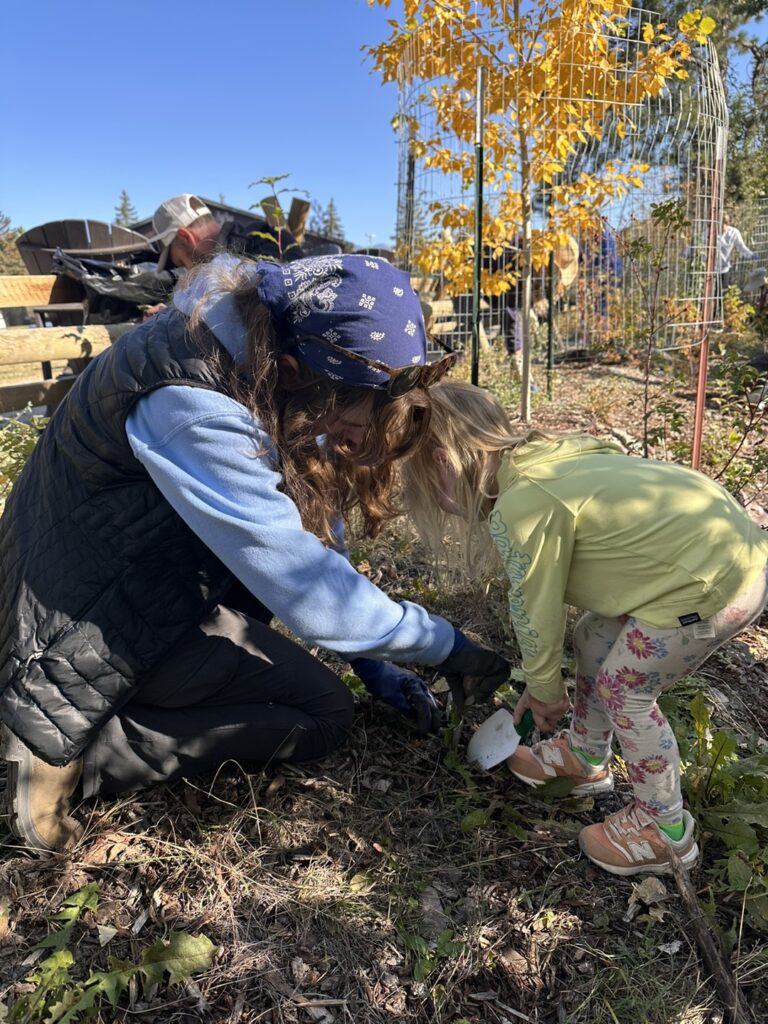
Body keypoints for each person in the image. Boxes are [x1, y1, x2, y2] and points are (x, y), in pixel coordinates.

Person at [0, 254, 511, 853]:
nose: (351, 441)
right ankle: (73, 751)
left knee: (295, 682)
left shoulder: (264, 349)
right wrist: (446, 646)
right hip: (73, 622)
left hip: (130, 578)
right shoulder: (195, 405)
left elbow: (308, 534)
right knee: (322, 714)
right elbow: (310, 591)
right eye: (355, 417)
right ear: (299, 372)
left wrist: (374, 663)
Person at [401, 380, 768, 876]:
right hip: (723, 557)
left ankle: (666, 830)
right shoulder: (546, 456)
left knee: (626, 692)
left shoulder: (522, 504)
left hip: (709, 585)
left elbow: (536, 610)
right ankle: (585, 755)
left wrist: (544, 690)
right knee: (592, 637)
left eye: (424, 482)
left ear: (445, 461)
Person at [147, 194, 304, 272]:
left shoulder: (262, 243)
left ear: (185, 236)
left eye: (182, 263)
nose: (188, 271)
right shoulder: (243, 244)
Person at [716, 211, 758, 298]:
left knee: (721, 295)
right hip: (709, 269)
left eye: (723, 225)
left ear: (727, 223)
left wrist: (751, 255)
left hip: (724, 268)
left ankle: (718, 310)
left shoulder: (733, 233)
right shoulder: (709, 233)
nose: (720, 228)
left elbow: (741, 247)